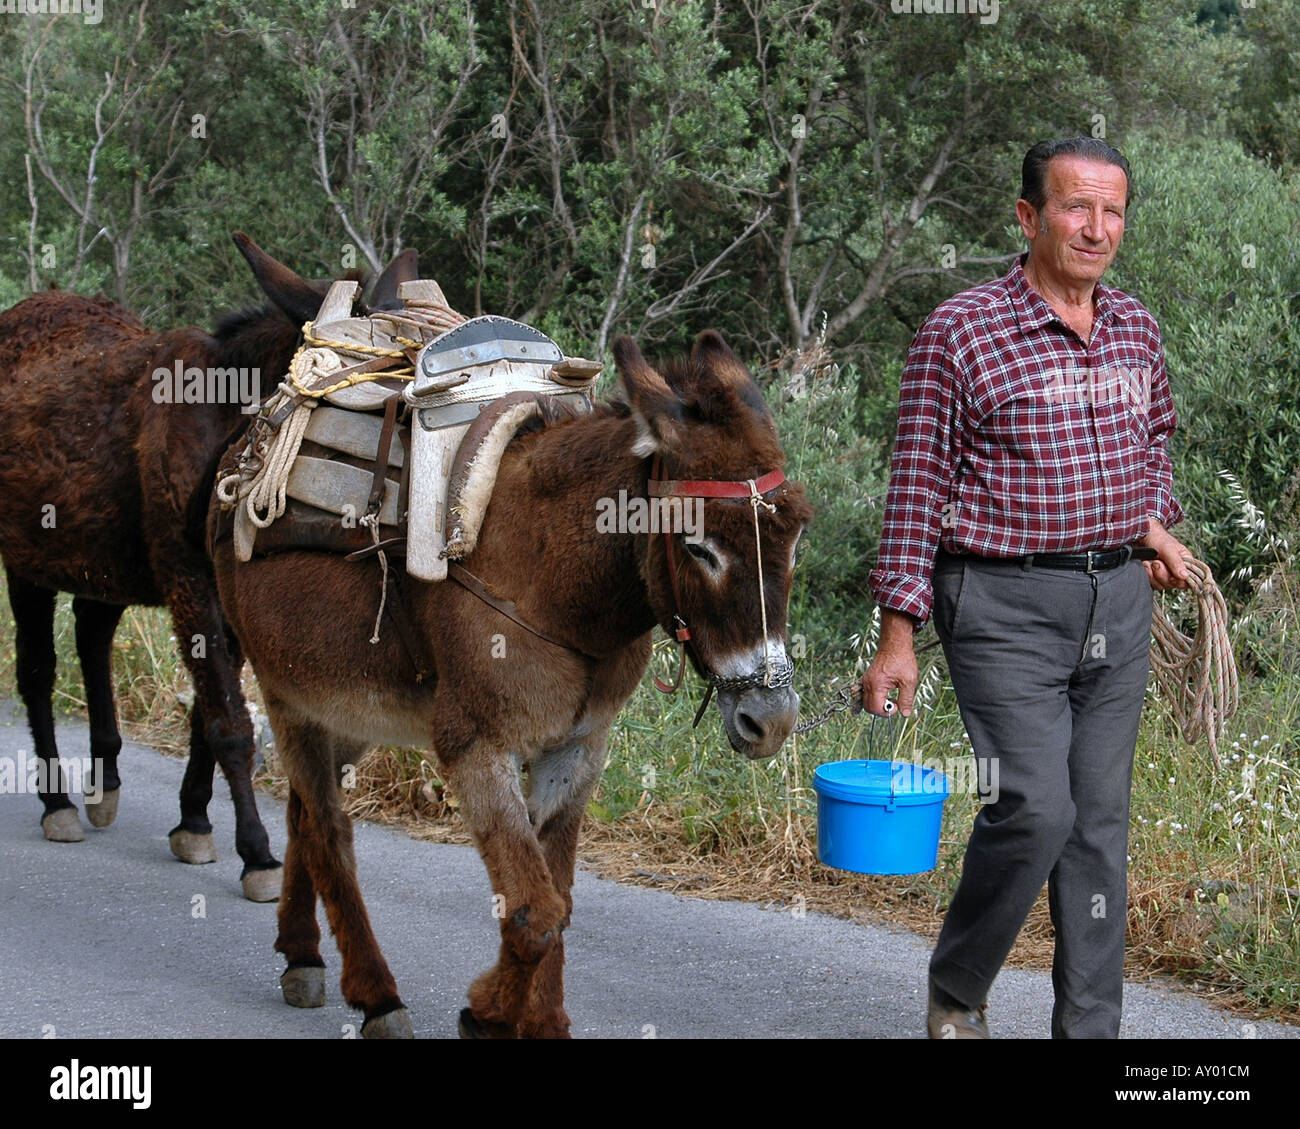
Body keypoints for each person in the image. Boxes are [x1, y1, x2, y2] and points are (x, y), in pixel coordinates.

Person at [859, 137, 1191, 1039]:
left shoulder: (1136, 327)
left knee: (1097, 831)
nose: (1097, 228)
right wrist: (898, 635)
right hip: (1001, 607)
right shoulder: (959, 332)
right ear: (1027, 217)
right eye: (1076, 208)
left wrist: (1152, 524)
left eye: (1113, 210)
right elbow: (917, 486)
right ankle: (959, 988)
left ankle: (1092, 1035)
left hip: (1117, 603)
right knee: (1034, 806)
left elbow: (1155, 440)